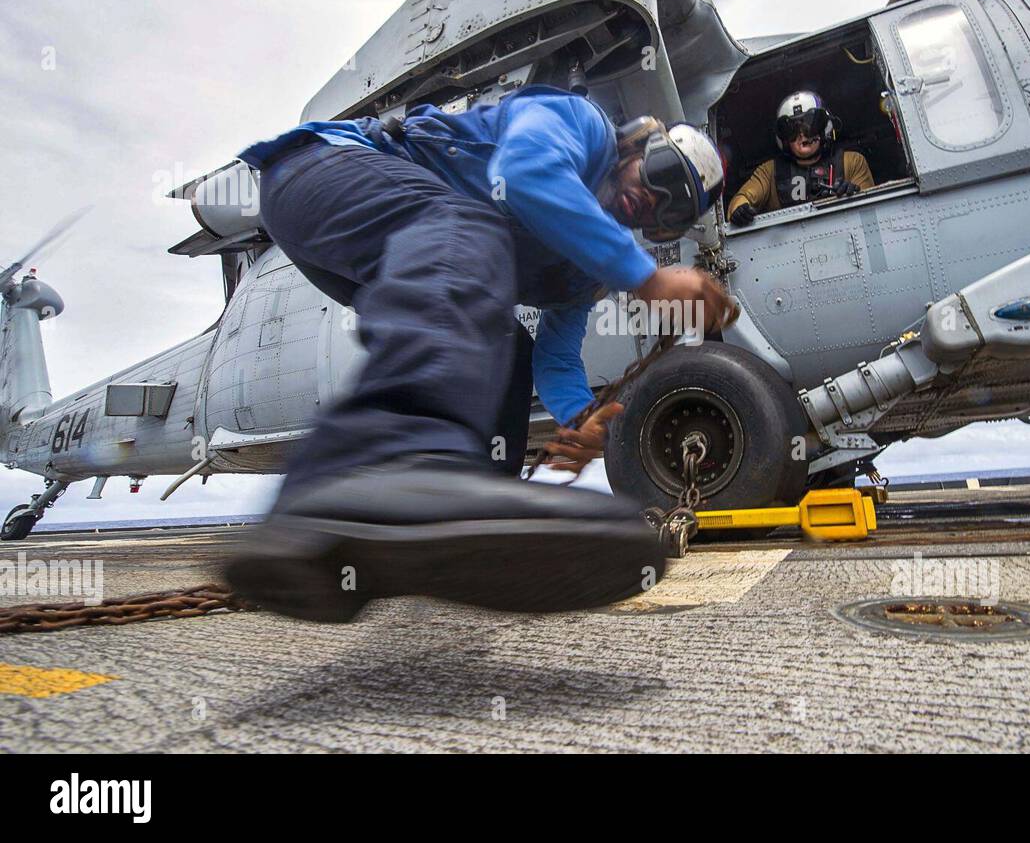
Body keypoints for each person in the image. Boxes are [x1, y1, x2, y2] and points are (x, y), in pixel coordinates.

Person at [224, 85, 734, 622]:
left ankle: (453, 520)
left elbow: (557, 361)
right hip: (321, 171)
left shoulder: (585, 273)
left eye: (670, 210)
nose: (652, 200)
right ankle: (394, 467)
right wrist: (646, 278)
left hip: (384, 245)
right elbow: (524, 173)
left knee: (504, 338)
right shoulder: (580, 124)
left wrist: (579, 418)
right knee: (466, 228)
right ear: (637, 148)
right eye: (659, 177)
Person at [727, 91, 874, 226]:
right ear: (784, 140)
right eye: (792, 131)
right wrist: (739, 210)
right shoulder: (769, 172)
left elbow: (870, 209)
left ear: (825, 128)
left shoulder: (852, 161)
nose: (802, 135)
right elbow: (741, 198)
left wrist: (856, 194)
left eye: (811, 125)